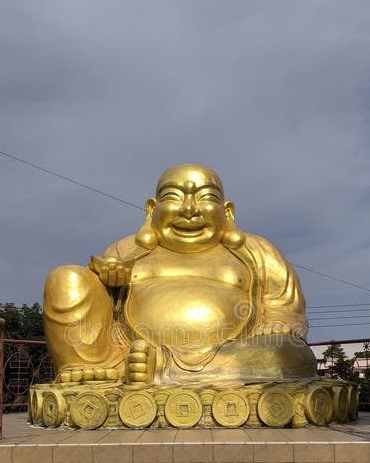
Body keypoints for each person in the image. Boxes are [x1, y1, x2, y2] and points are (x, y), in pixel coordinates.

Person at [43, 163, 317, 386]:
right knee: (65, 278)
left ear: (227, 211)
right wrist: (107, 282)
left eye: (206, 197)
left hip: (232, 353)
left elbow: (283, 307)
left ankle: (158, 370)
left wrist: (278, 322)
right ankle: (92, 366)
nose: (189, 210)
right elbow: (95, 301)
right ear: (152, 209)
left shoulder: (257, 250)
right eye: (173, 197)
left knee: (288, 353)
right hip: (126, 351)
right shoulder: (126, 249)